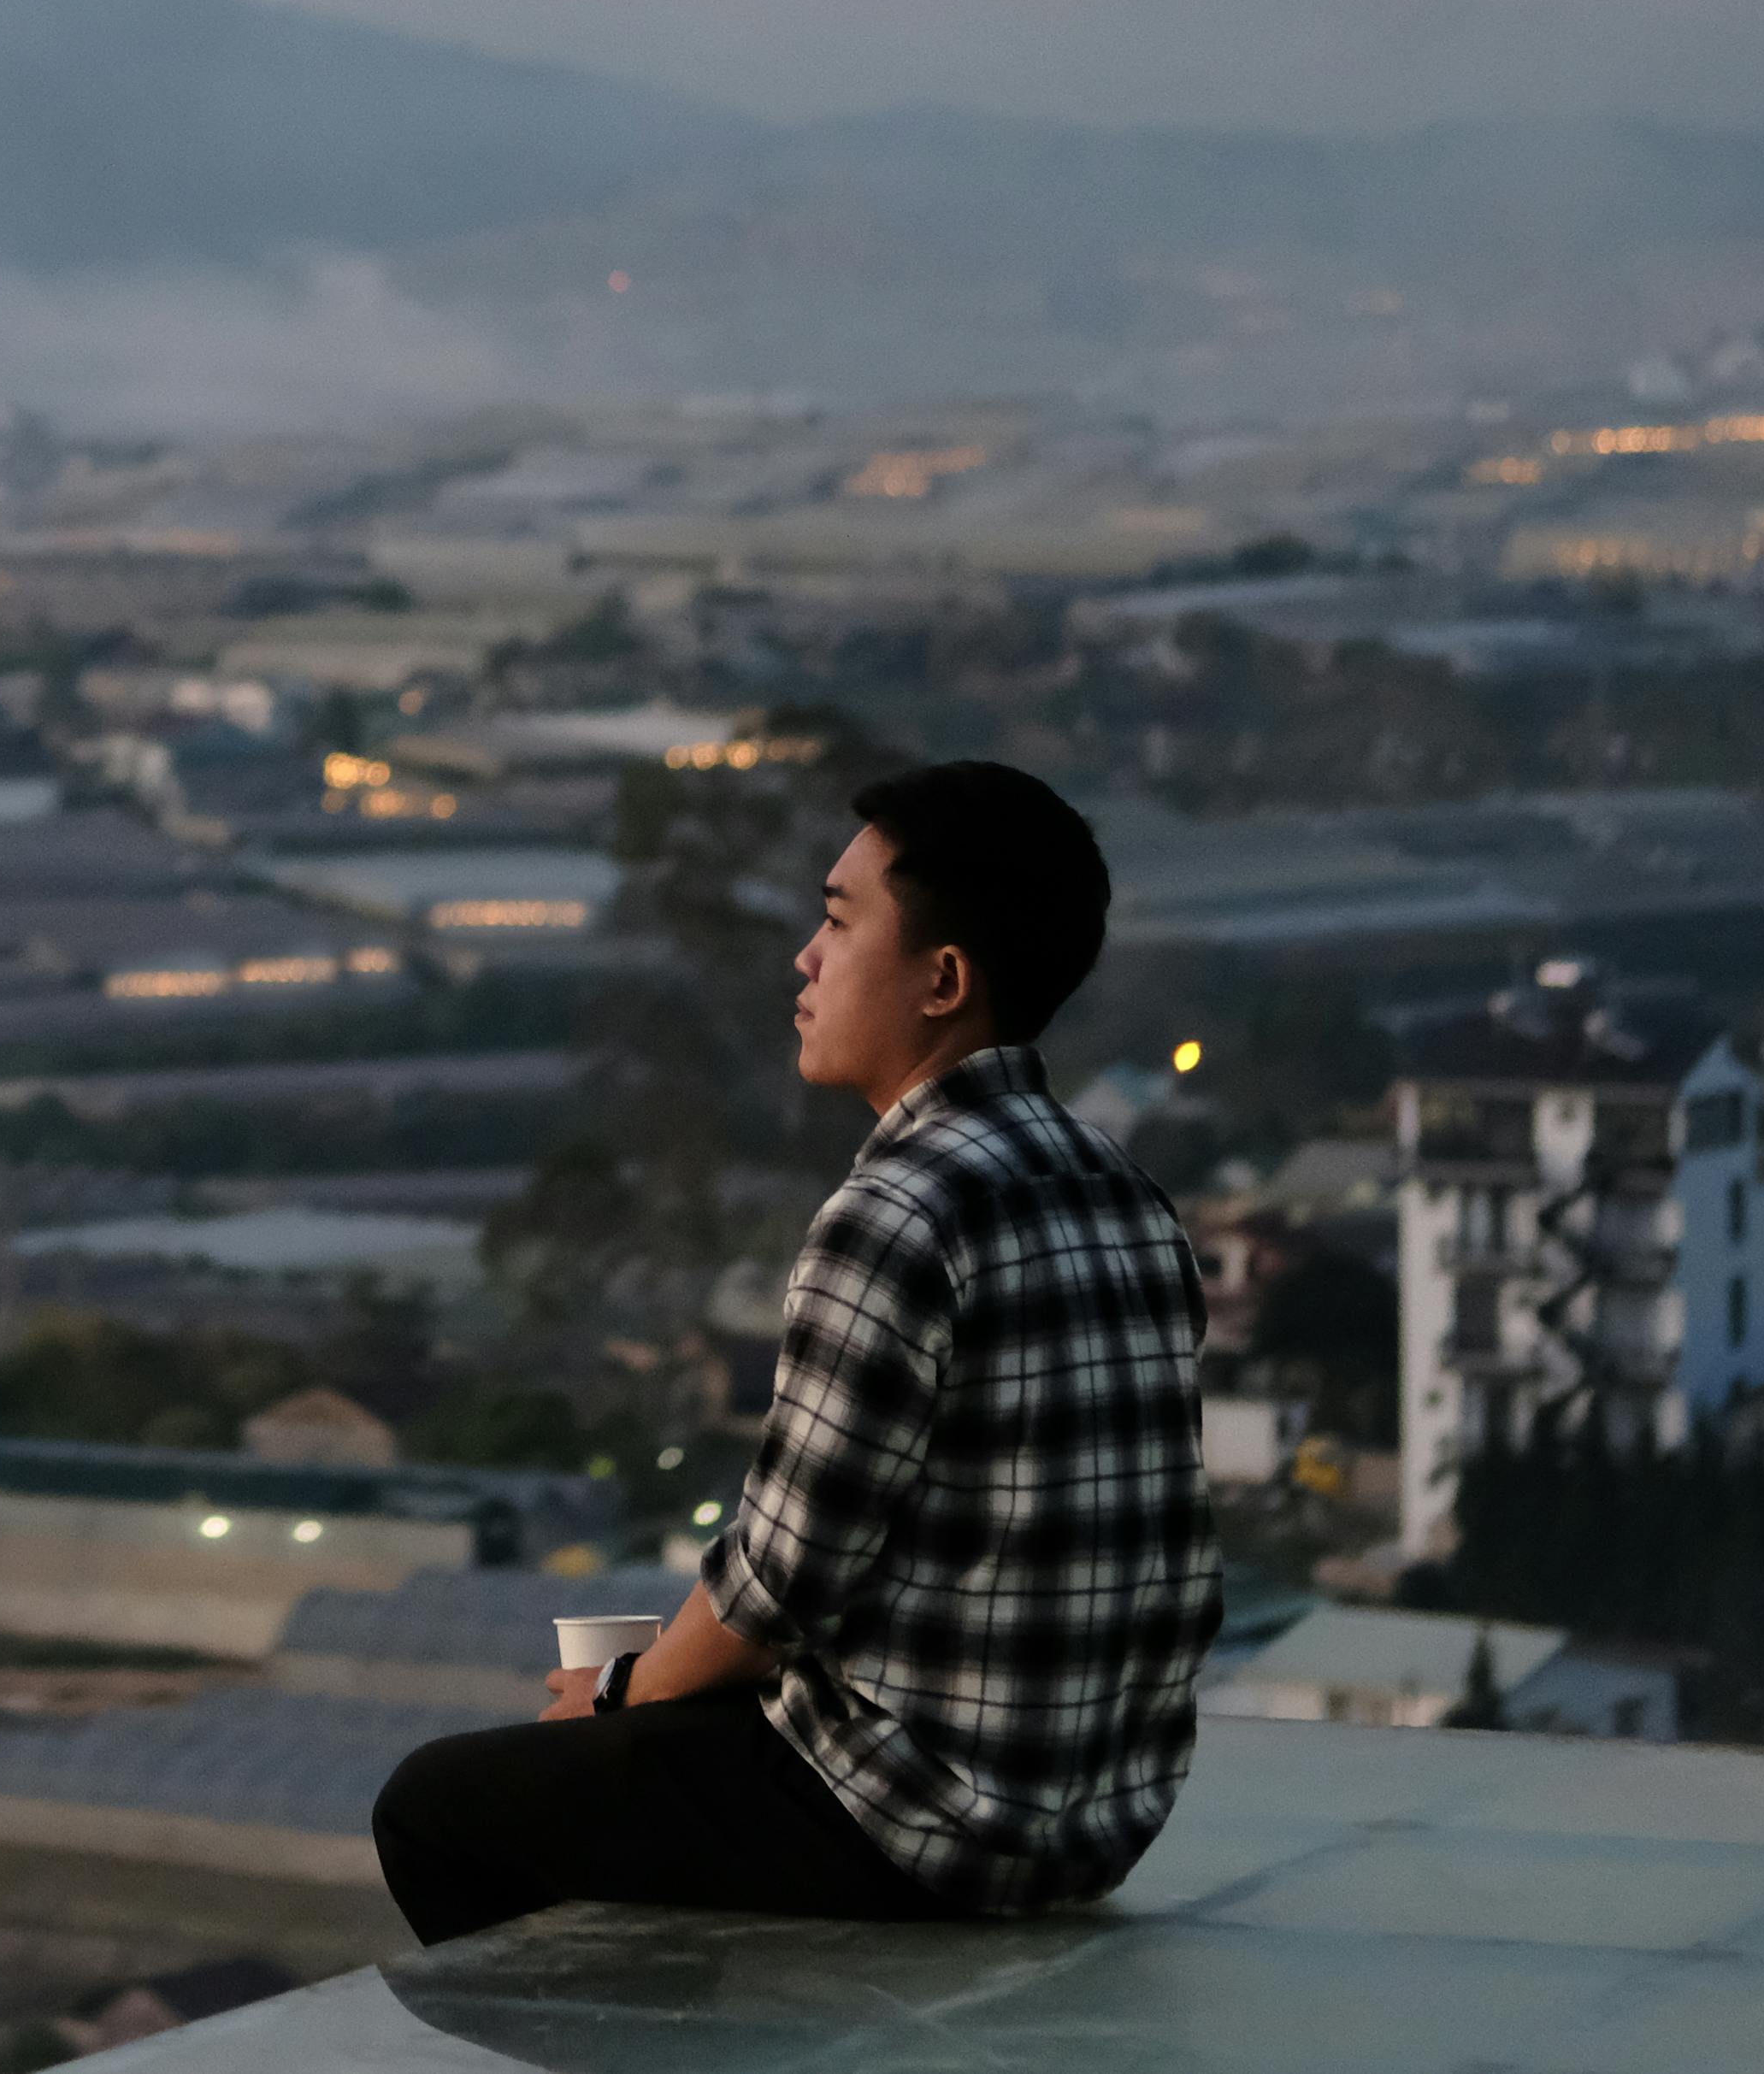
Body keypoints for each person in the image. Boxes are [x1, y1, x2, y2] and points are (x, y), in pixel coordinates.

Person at [370, 761, 1215, 1941]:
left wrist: (613, 1699)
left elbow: (782, 1576)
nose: (804, 961)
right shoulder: (1125, 1188)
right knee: (668, 1724)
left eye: (835, 920)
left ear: (943, 979)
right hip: (1094, 1818)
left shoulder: (899, 1211)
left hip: (926, 1826)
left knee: (434, 1805)